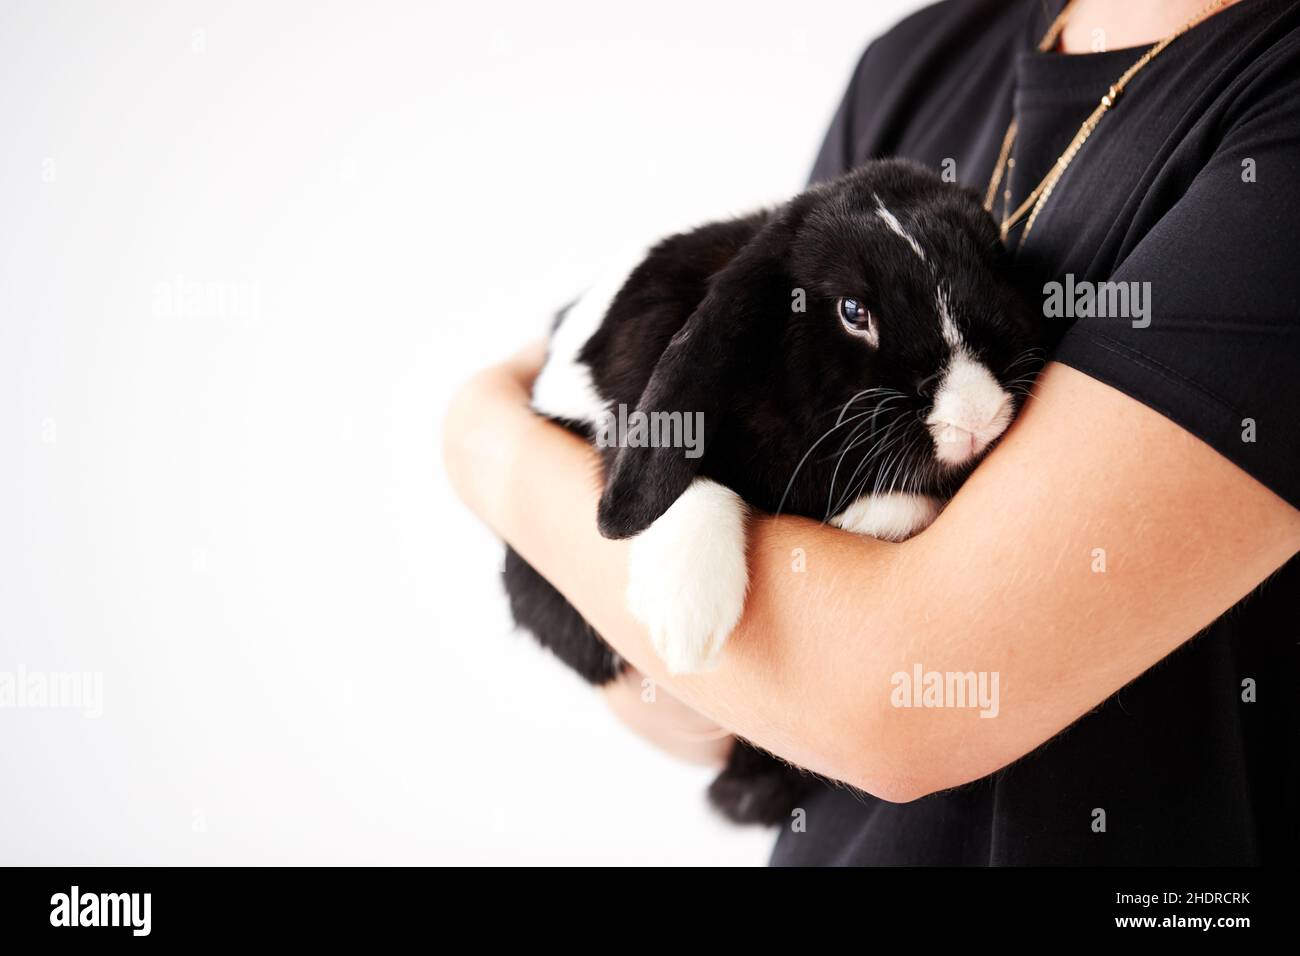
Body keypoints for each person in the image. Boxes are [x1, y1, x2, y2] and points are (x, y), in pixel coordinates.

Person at [443, 0, 1300, 865]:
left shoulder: (1277, 108)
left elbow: (895, 702)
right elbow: (697, 699)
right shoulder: (918, 62)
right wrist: (684, 559)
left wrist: (488, 449)